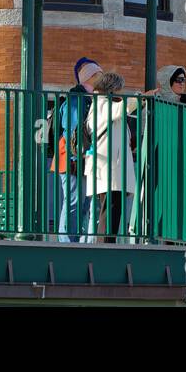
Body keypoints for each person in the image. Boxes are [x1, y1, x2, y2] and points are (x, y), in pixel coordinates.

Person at [49, 57, 99, 242]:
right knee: (74, 202)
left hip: (79, 159)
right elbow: (74, 132)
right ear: (89, 77)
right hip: (72, 159)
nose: (101, 78)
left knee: (81, 204)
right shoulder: (76, 100)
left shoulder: (85, 100)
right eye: (98, 74)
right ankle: (67, 242)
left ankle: (75, 241)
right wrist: (81, 154)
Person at [84, 70, 135, 243]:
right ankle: (105, 247)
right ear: (112, 89)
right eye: (121, 89)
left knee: (112, 211)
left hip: (112, 169)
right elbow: (124, 107)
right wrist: (142, 97)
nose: (122, 92)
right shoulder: (101, 104)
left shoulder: (106, 106)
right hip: (108, 169)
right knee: (109, 211)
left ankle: (107, 244)